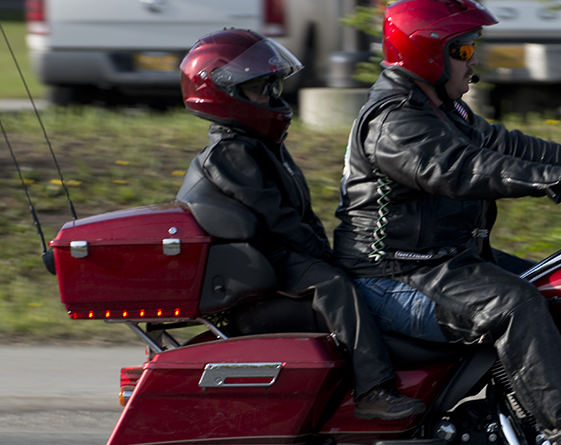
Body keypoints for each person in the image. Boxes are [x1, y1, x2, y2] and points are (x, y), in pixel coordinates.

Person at [333, 0, 561, 445]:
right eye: (462, 49)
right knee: (516, 305)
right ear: (427, 52)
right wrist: (558, 183)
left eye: (473, 47)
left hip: (446, 260)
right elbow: (460, 169)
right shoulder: (395, 121)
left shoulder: (444, 110)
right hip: (396, 273)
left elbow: (507, 145)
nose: (472, 59)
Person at [177, 29, 424, 420]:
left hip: (277, 252)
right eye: (260, 89)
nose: (272, 98)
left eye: (273, 86)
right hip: (267, 259)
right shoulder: (231, 152)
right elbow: (277, 219)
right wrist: (325, 256)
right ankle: (373, 389)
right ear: (225, 93)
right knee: (335, 285)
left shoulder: (254, 144)